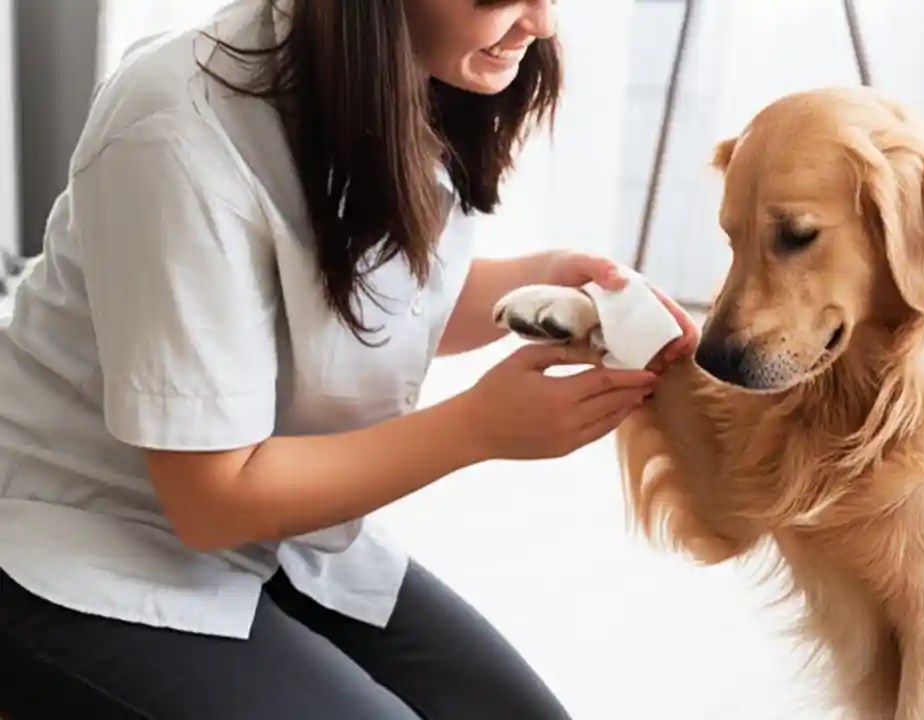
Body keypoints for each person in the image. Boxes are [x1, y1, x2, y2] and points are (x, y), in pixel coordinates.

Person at [0, 1, 698, 718]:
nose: (540, 25)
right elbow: (211, 501)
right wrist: (480, 429)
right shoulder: (176, 127)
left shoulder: (407, 76)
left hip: (276, 538)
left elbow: (380, 305)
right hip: (82, 550)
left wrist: (543, 278)